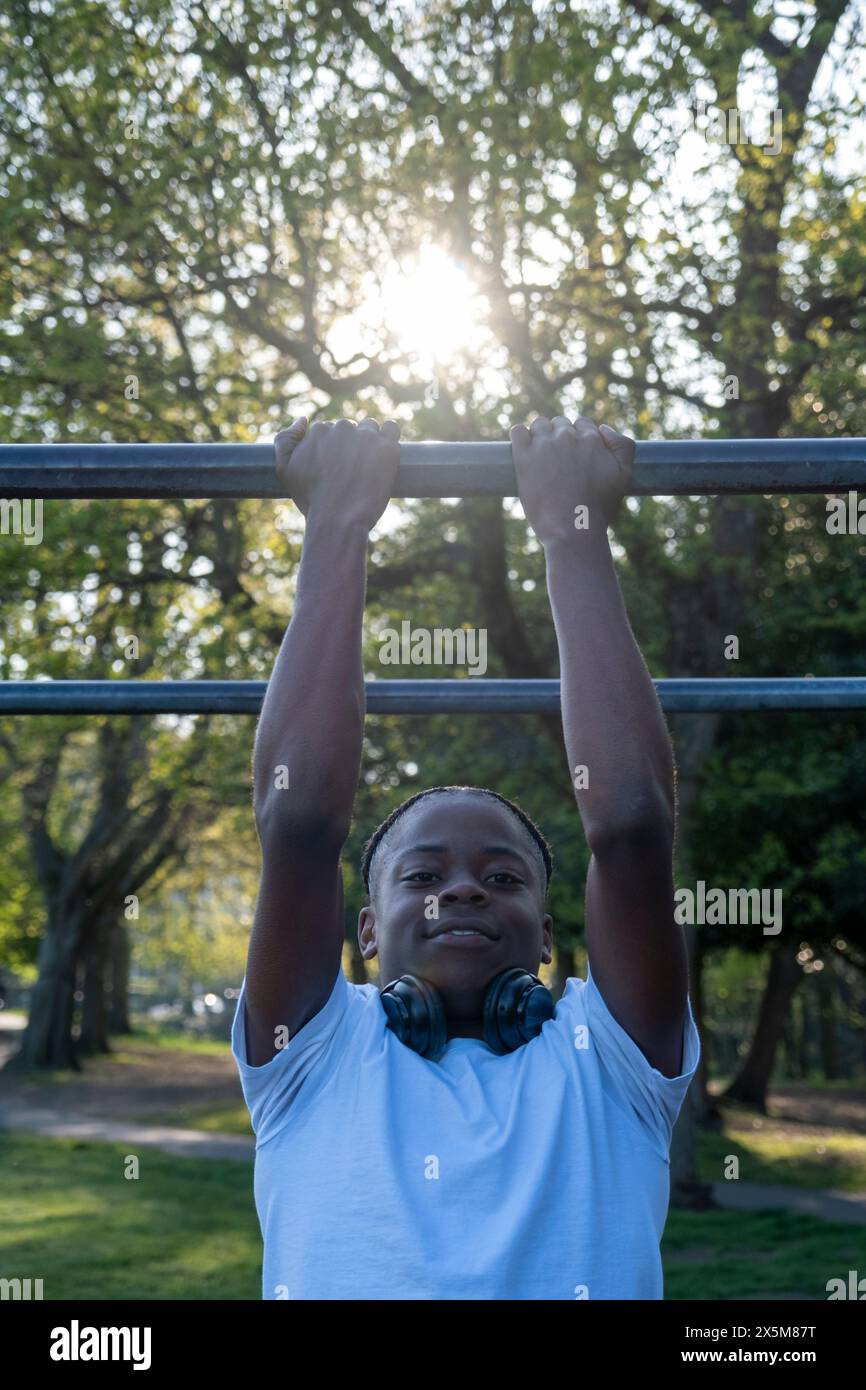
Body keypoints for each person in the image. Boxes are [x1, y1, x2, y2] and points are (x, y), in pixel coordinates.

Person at [231, 413, 700, 1300]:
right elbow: (297, 826)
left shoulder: (610, 1061)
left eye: (501, 877)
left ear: (549, 933)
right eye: (422, 874)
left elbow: (633, 826)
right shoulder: (312, 1053)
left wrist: (572, 532)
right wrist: (336, 526)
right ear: (366, 930)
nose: (462, 892)